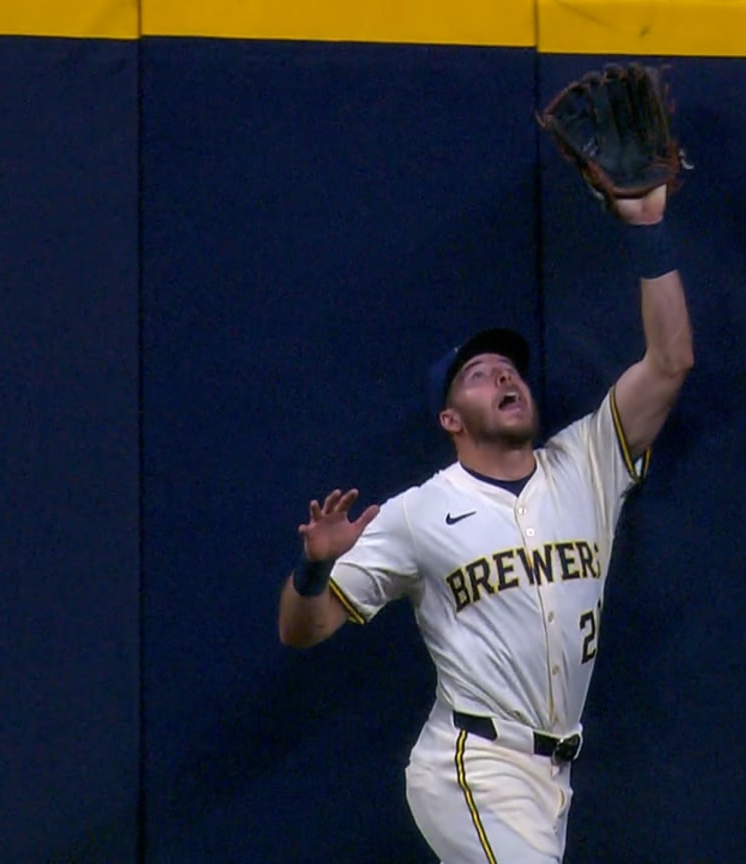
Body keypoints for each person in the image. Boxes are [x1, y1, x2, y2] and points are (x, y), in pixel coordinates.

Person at [277, 183, 693, 862]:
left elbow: (670, 362)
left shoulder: (586, 461)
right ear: (450, 419)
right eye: (479, 374)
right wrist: (315, 566)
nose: (504, 378)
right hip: (473, 765)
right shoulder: (418, 512)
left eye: (510, 370)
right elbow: (304, 629)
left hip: (552, 774)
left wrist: (649, 227)